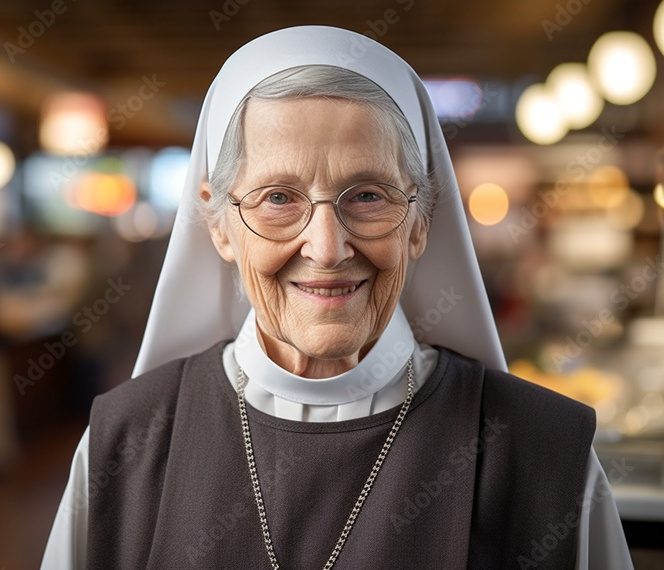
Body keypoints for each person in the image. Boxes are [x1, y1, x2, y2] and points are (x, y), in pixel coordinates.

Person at [41, 26, 633, 568]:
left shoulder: (545, 455)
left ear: (421, 221)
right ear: (219, 224)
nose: (326, 248)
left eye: (368, 195)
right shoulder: (125, 443)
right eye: (278, 198)